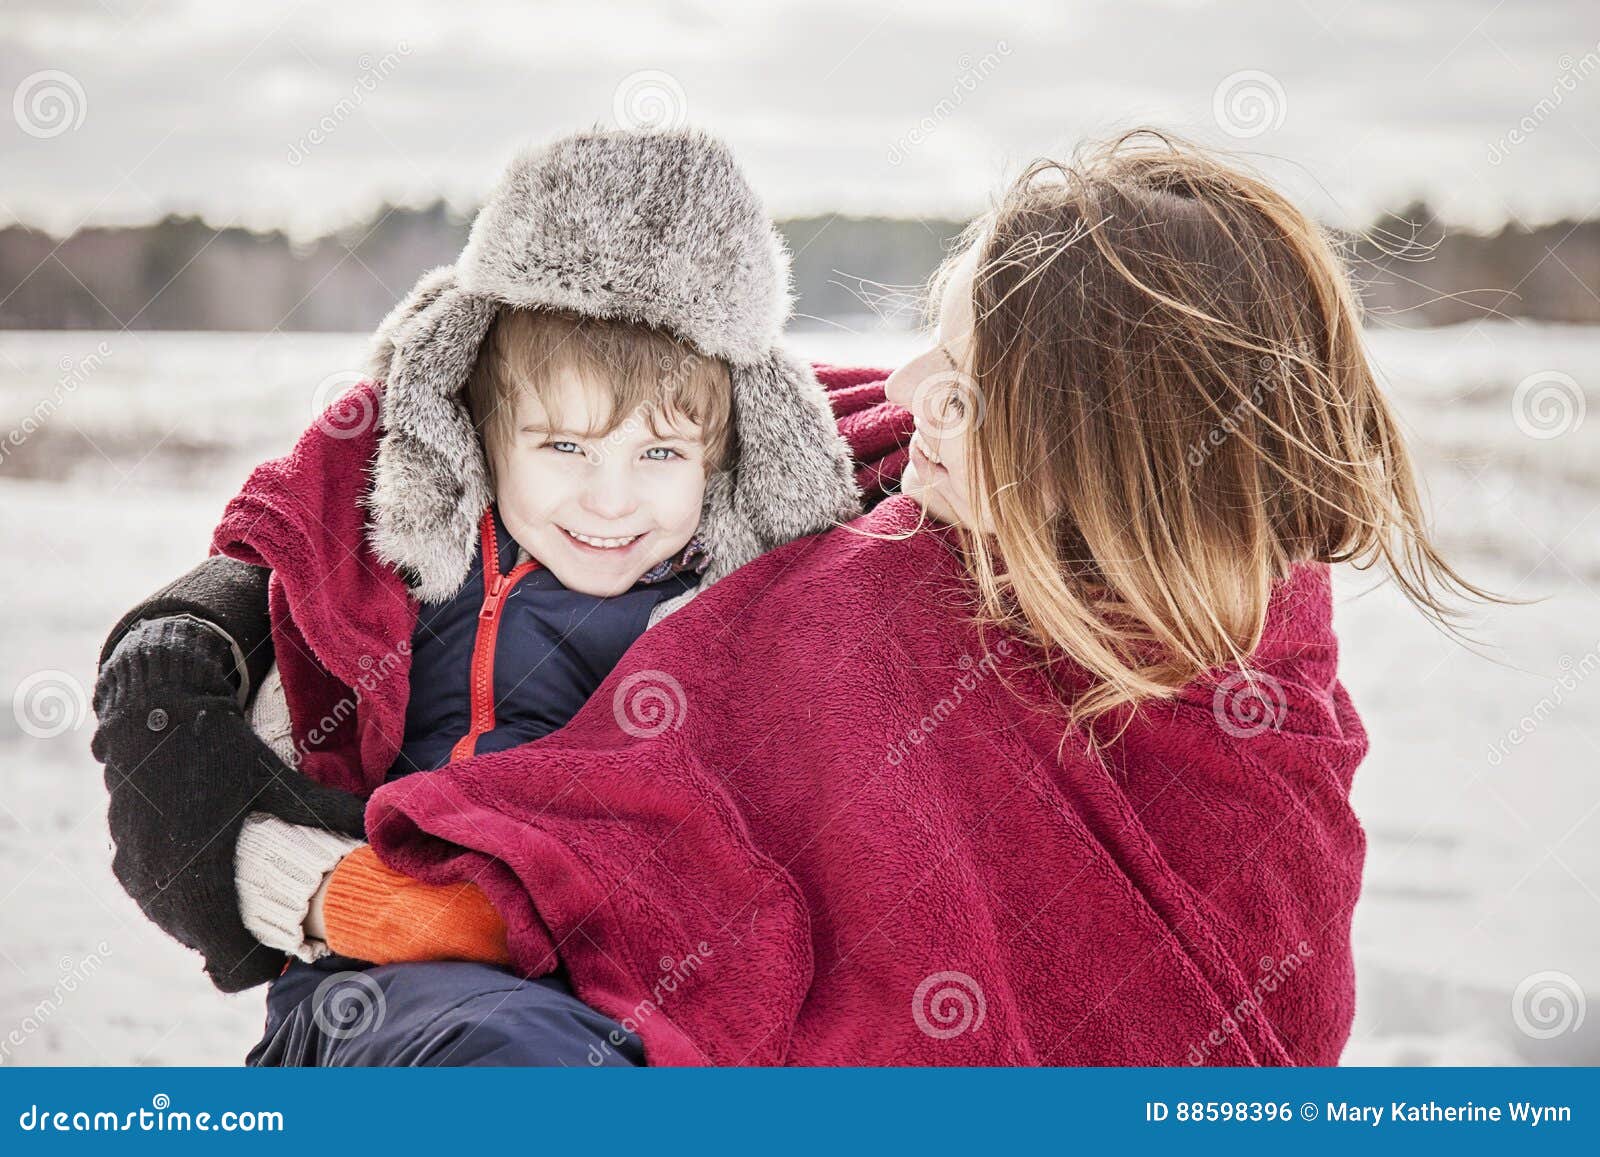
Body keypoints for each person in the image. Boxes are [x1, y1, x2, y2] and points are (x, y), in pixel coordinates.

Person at [95, 128, 1490, 1065]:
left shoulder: (1237, 715)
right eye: (933, 347)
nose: (914, 390)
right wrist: (216, 610)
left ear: (1102, 455)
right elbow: (527, 401)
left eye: (973, 381)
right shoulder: (900, 488)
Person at [89, 126, 862, 1064]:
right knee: (513, 1054)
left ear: (727, 450)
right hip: (379, 996)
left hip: (639, 999)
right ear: (479, 431)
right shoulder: (400, 569)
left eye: (659, 454)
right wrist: (339, 893)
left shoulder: (730, 603)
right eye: (563, 447)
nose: (611, 501)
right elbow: (200, 794)